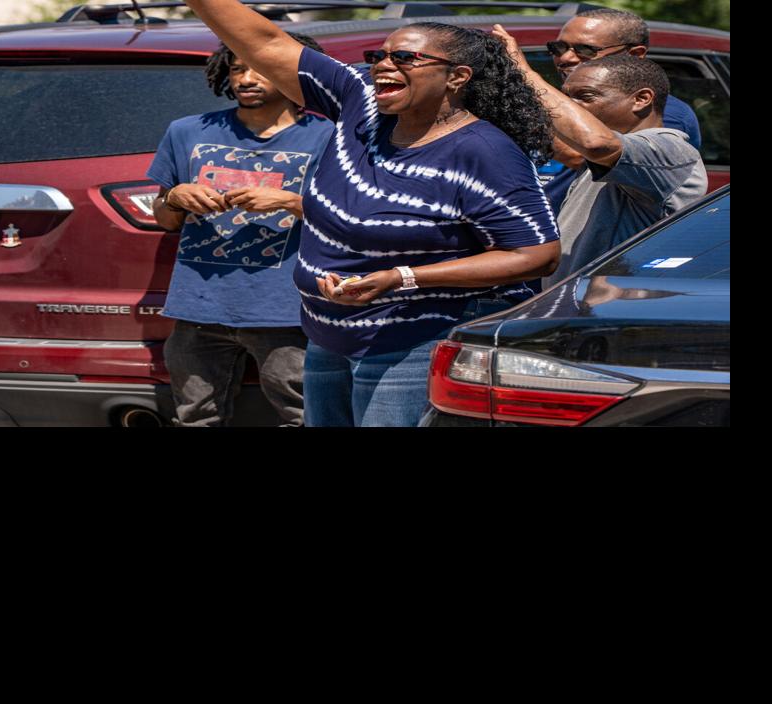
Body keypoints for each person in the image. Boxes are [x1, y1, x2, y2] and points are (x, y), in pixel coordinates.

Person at [183, 0, 561, 427]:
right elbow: (267, 43)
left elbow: (537, 253)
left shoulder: (484, 152)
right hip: (329, 335)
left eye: (405, 58)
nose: (383, 65)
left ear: (456, 76)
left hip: (415, 341)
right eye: (378, 55)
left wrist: (403, 277)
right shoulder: (361, 103)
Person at [148, 34, 333, 426]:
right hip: (198, 307)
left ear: (290, 72)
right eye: (237, 69)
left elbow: (351, 220)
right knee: (194, 418)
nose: (246, 79)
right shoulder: (187, 131)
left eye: (260, 69)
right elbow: (164, 217)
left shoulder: (329, 137)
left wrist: (288, 202)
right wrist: (176, 197)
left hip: (286, 311)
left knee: (304, 416)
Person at [494, 27, 705, 286]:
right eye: (567, 98)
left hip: (617, 306)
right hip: (570, 303)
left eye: (585, 97)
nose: (571, 107)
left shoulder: (669, 148)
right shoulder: (606, 162)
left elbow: (595, 143)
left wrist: (522, 71)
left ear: (641, 99)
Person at [546, 7, 701, 149]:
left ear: (634, 55)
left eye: (586, 50)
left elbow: (586, 157)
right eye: (559, 47)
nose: (565, 58)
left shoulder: (661, 113)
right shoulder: (557, 99)